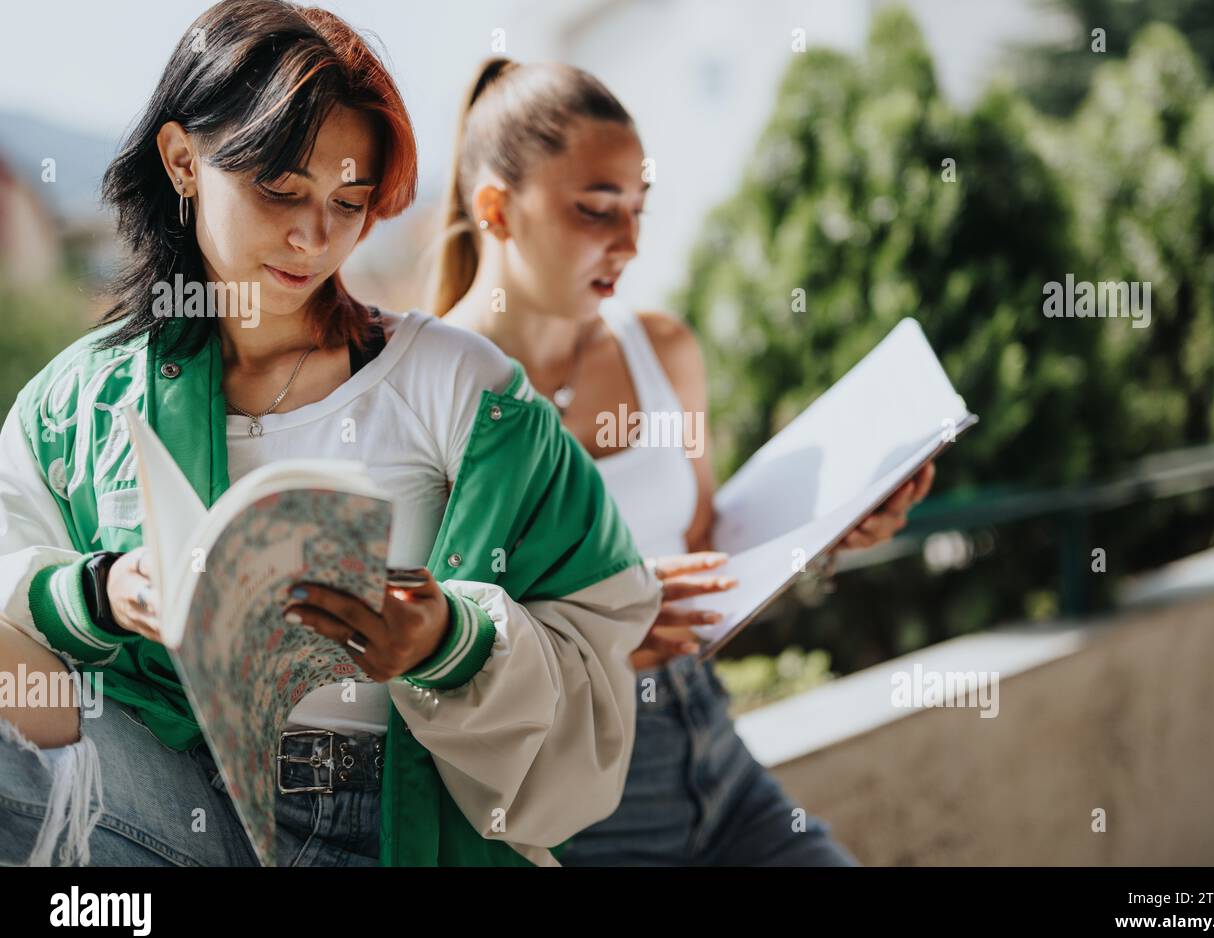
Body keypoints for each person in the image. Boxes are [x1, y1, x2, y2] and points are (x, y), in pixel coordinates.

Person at [0, 1, 659, 867]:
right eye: (280, 191)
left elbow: (597, 636)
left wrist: (448, 642)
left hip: (394, 813)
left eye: (350, 203)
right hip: (170, 802)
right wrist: (101, 591)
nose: (315, 237)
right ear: (182, 160)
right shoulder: (73, 407)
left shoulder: (465, 390)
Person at [432, 58, 935, 866]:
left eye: (639, 210)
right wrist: (608, 625)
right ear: (497, 208)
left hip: (717, 754)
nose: (628, 243)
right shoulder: (429, 391)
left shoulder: (661, 350)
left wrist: (831, 526)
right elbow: (430, 659)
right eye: (598, 211)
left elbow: (707, 547)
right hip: (578, 810)